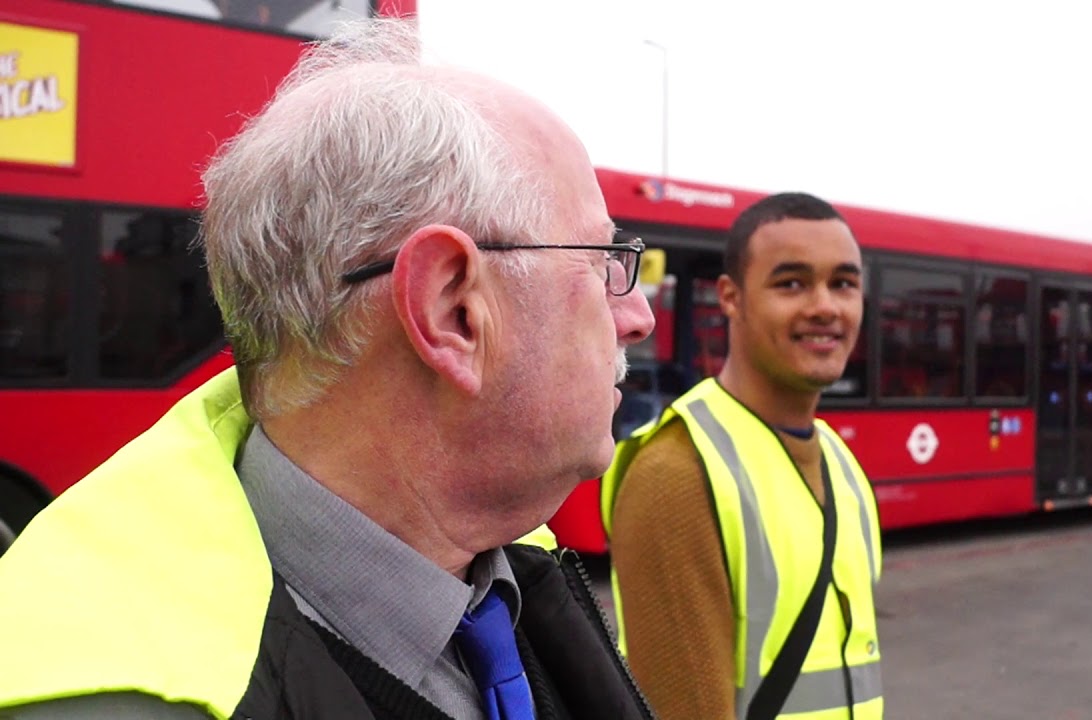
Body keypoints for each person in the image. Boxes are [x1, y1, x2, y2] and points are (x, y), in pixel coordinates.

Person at [0, 17, 656, 720]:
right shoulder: (113, 701)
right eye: (602, 263)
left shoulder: (504, 556)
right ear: (452, 312)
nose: (638, 316)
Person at [602, 193, 884, 719]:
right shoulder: (678, 473)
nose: (825, 306)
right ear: (730, 297)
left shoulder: (842, 464)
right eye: (791, 283)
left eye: (843, 283)